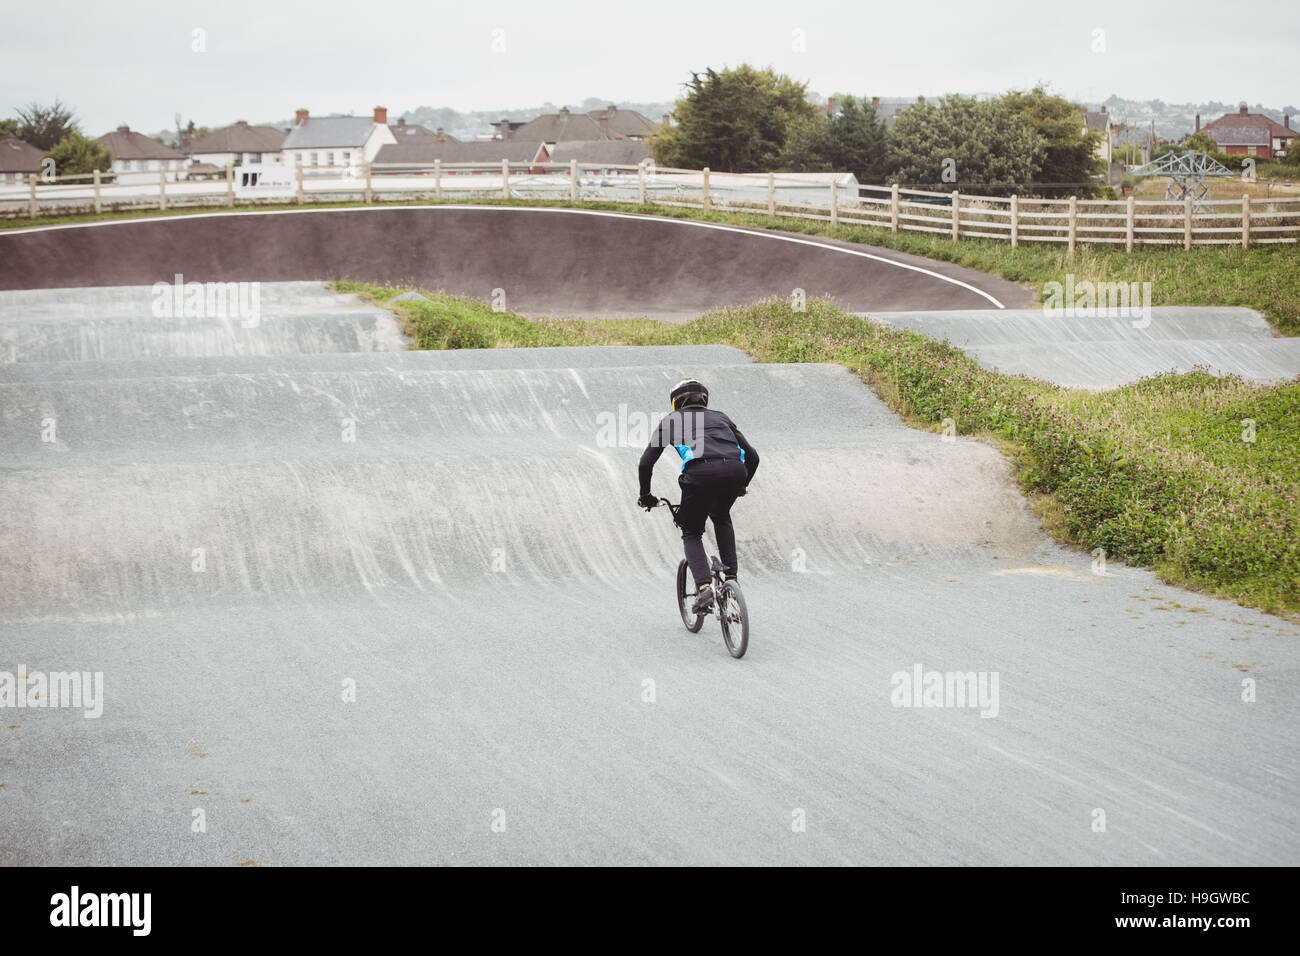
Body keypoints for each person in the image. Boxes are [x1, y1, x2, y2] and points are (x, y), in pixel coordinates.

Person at [637, 379, 759, 613]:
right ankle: (732, 578)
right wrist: (741, 485)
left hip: (699, 474)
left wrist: (646, 495)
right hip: (735, 471)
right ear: (704, 400)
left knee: (691, 531)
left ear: (676, 402)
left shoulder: (671, 420)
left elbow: (645, 464)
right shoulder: (721, 417)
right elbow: (753, 457)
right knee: (721, 515)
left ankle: (704, 587)